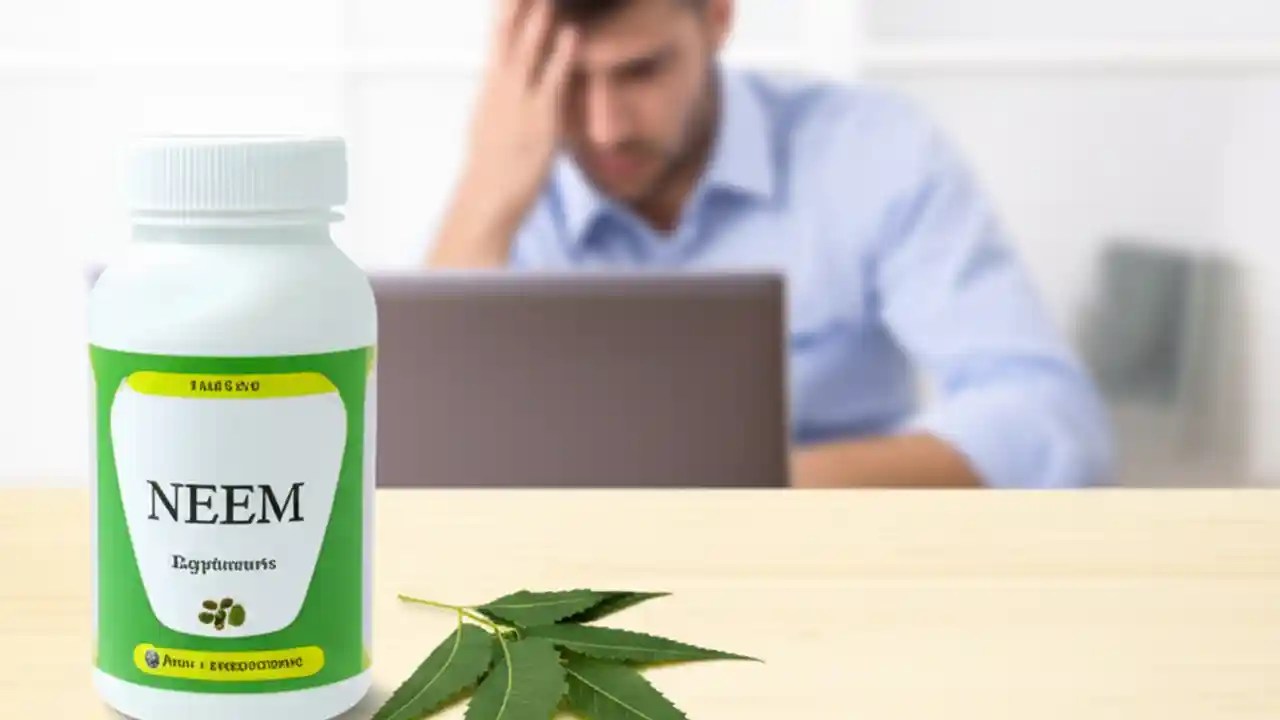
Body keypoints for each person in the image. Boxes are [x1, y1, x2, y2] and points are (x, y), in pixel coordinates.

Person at [429, 0, 1113, 489]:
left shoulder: (871, 148)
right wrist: (485, 200)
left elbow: (1049, 419)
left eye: (641, 71)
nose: (606, 127)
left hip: (842, 559)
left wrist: (747, 496)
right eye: (570, 81)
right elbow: (409, 454)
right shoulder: (511, 190)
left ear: (717, 18)